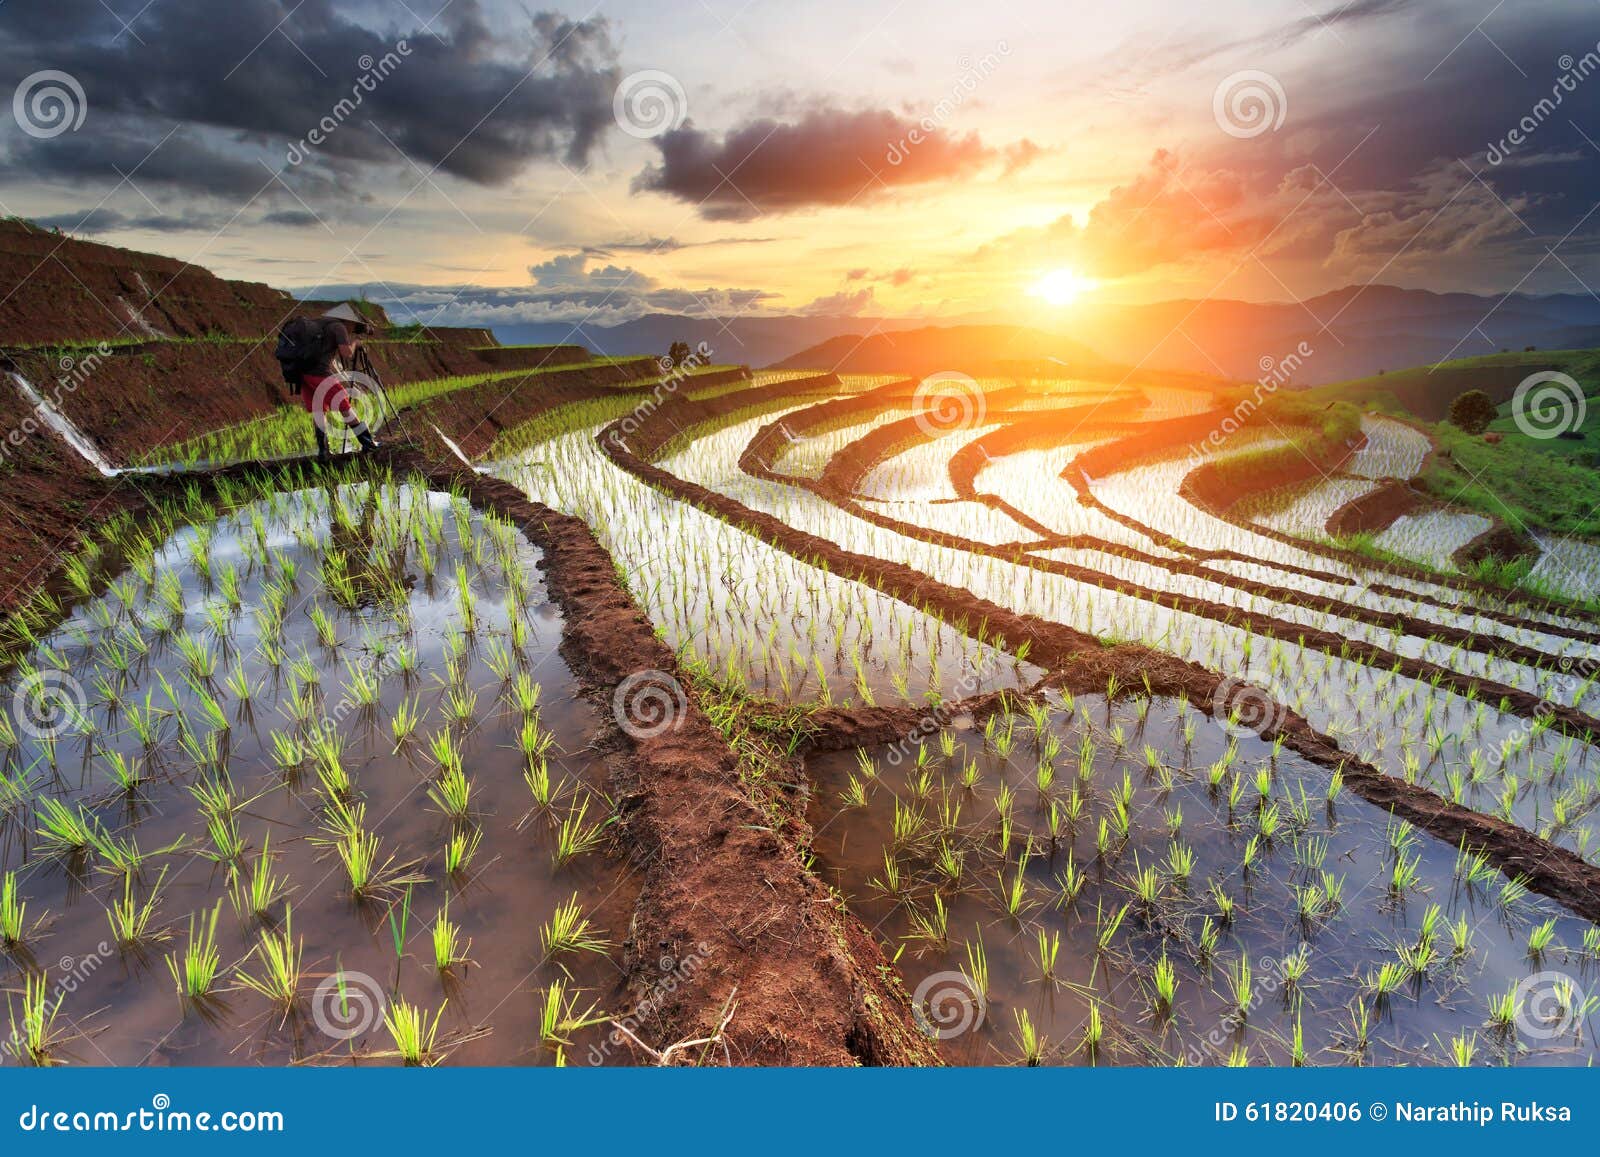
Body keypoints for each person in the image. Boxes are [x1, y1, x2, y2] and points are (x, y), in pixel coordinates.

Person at [300, 303, 380, 462]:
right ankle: (368, 443)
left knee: (318, 409)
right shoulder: (339, 327)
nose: (355, 328)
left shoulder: (319, 324)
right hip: (319, 373)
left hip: (302, 373)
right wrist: (356, 342)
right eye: (355, 325)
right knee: (344, 405)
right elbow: (347, 353)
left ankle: (323, 452)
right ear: (348, 320)